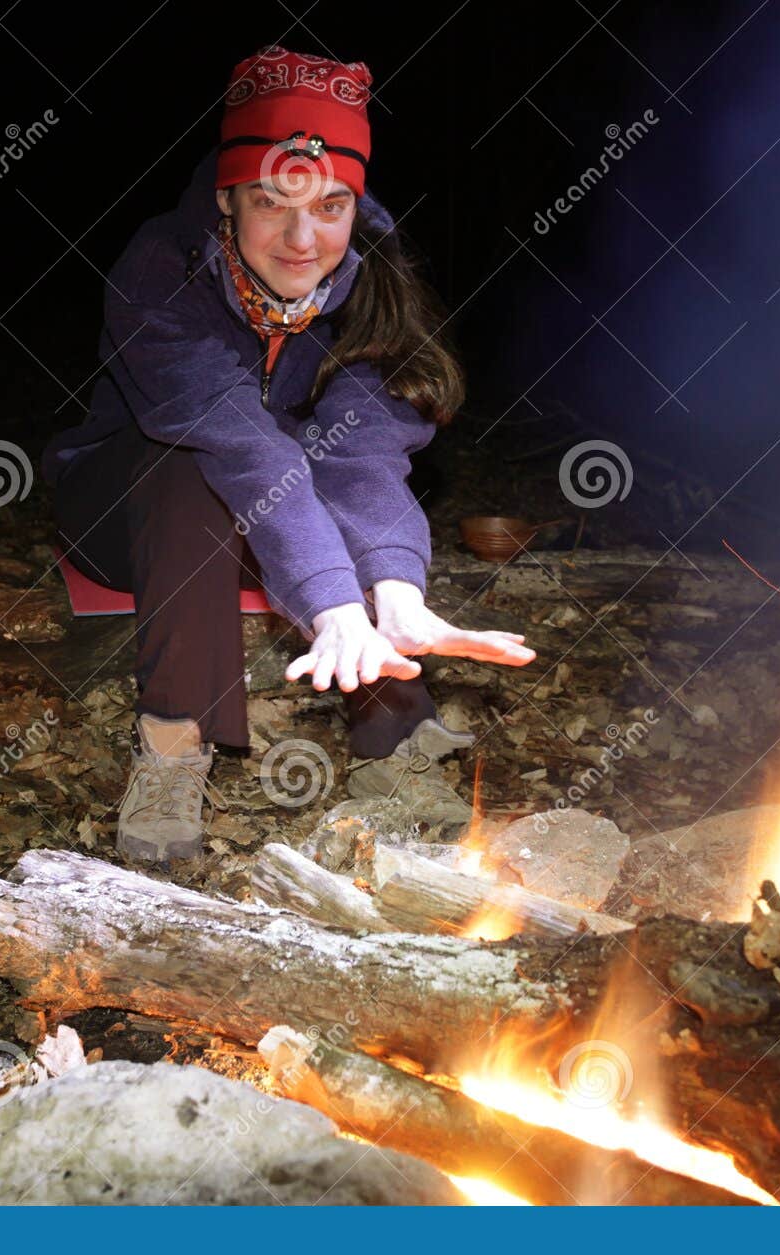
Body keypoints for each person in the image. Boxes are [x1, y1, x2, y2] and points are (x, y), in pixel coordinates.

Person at [41, 45, 535, 866]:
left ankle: (399, 739)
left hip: (271, 526)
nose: (304, 239)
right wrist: (333, 601)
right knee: (193, 461)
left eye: (332, 206)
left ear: (355, 204)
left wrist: (393, 592)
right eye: (272, 203)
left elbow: (362, 460)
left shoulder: (371, 289)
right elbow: (238, 445)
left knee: (324, 462)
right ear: (227, 199)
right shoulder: (160, 267)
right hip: (128, 513)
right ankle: (169, 751)